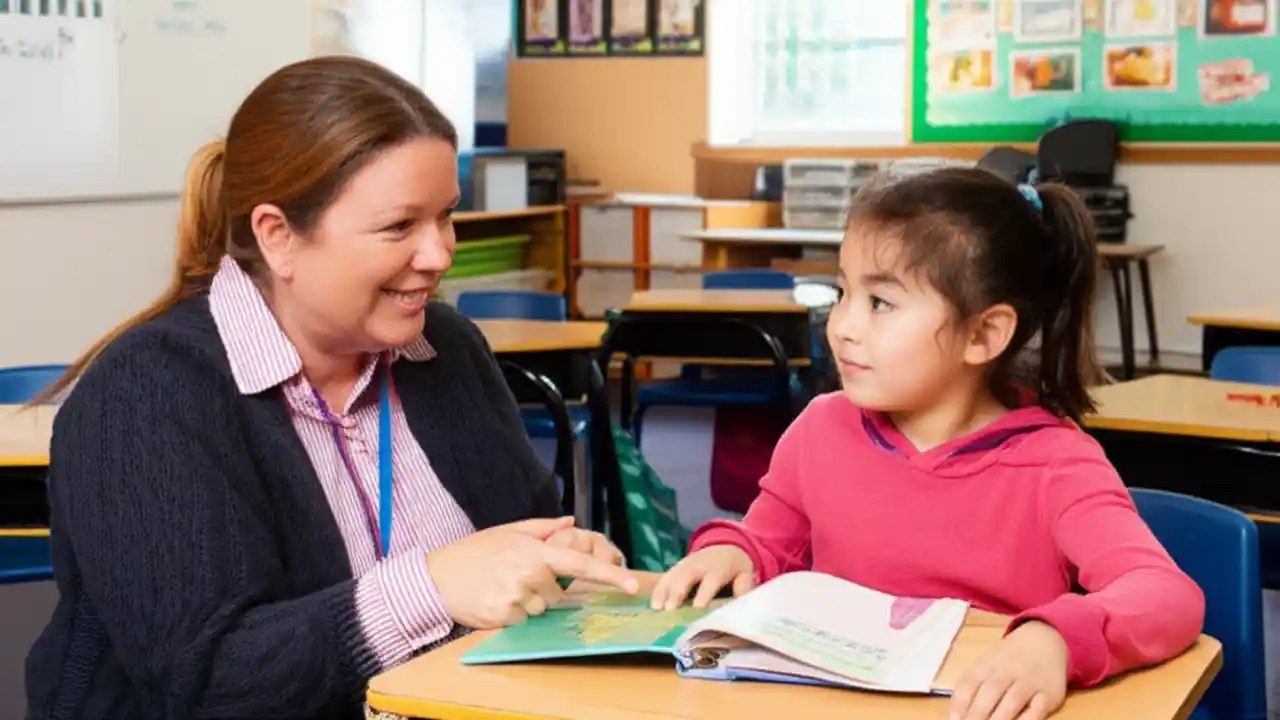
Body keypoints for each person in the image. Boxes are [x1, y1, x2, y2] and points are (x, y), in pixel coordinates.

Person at [24, 56, 637, 720]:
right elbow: (206, 684)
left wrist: (559, 563)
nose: (439, 254)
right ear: (278, 237)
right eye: (399, 226)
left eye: (446, 216)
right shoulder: (146, 397)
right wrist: (430, 589)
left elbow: (520, 537)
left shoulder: (449, 350)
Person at [651, 169, 1205, 720]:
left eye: (881, 303)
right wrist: (733, 551)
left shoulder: (1056, 462)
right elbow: (768, 543)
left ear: (983, 334)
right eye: (843, 292)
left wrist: (1052, 641)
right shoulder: (820, 429)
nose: (842, 325)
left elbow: (1165, 594)